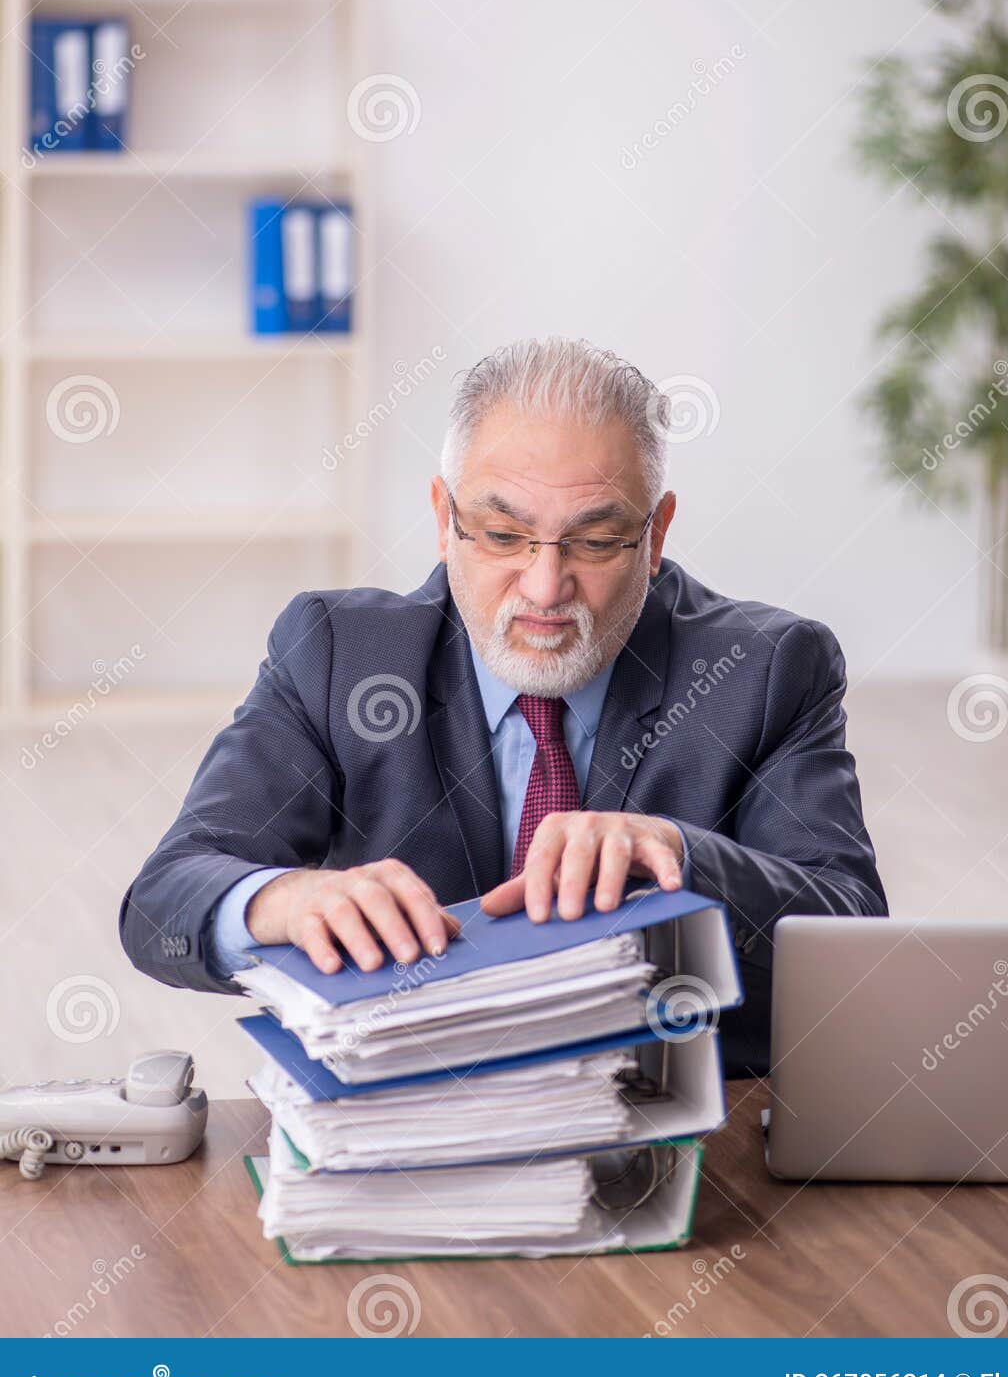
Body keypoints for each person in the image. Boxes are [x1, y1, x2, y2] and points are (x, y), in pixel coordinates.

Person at [120, 336, 886, 1073]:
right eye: (502, 534)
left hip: (666, 1111)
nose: (545, 588)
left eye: (595, 541)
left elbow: (853, 937)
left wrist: (680, 855)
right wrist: (283, 900)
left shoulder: (767, 670)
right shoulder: (337, 655)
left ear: (655, 535)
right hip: (406, 1110)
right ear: (443, 520)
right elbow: (163, 901)